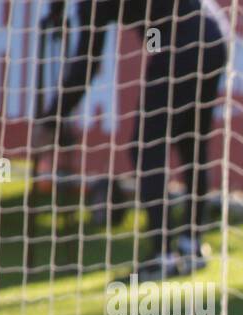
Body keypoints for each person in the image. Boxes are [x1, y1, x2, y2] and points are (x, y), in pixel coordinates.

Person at [34, 0, 229, 279]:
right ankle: (190, 244)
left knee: (147, 148)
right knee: (191, 144)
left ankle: (163, 256)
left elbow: (87, 65)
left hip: (182, 43)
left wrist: (50, 119)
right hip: (214, 35)